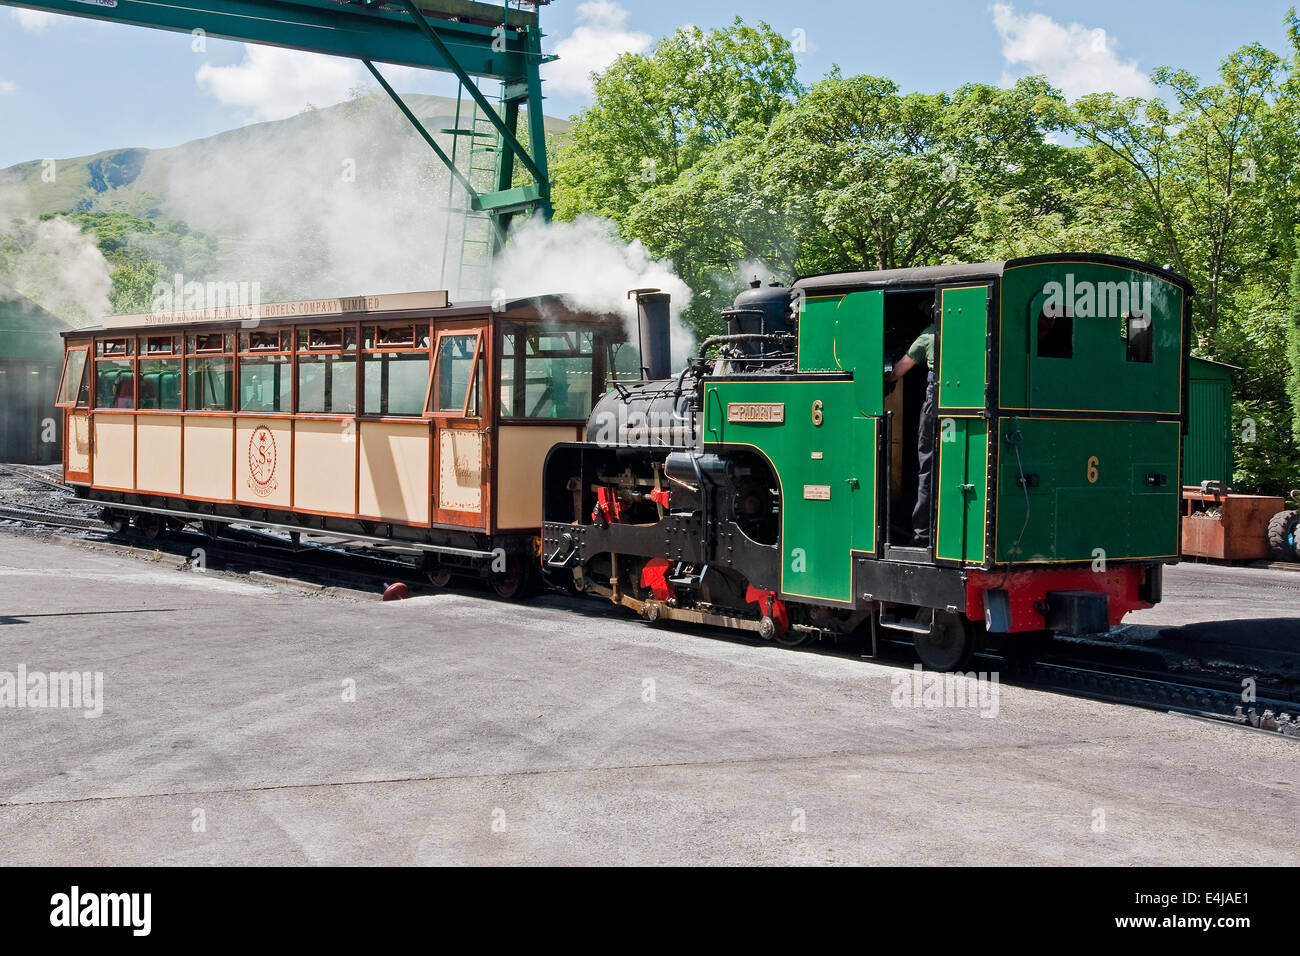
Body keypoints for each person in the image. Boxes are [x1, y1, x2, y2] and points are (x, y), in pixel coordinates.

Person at [886, 304, 936, 547]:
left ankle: (923, 532)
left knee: (927, 464)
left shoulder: (929, 335)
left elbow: (899, 370)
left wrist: (886, 377)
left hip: (935, 401)